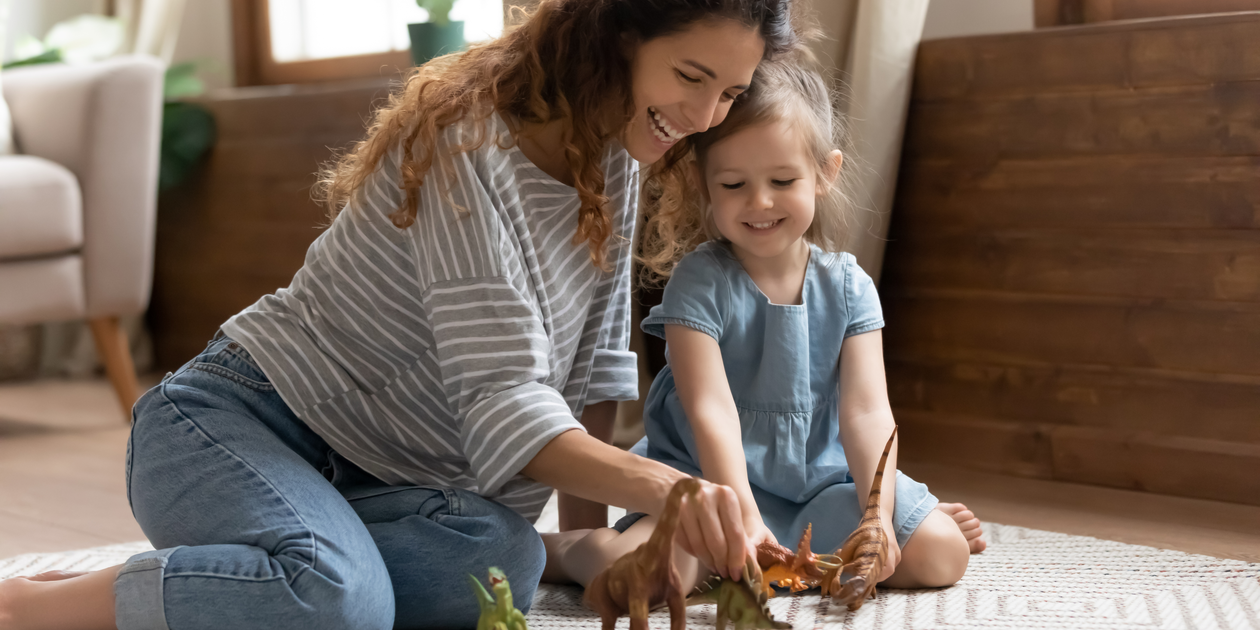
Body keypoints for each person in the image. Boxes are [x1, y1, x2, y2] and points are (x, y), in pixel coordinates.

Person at [0, 1, 802, 628]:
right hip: (229, 425)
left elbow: (588, 371)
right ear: (618, 33)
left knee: (507, 561)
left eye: (729, 93)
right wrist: (672, 488)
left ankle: (273, 564)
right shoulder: (468, 145)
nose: (704, 117)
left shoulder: (616, 155)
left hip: (379, 484)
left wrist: (592, 543)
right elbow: (505, 406)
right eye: (691, 77)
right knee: (334, 601)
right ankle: (34, 605)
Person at [549, 59, 986, 593]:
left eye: (782, 180)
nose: (759, 202)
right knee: (656, 574)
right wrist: (743, 518)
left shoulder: (850, 288)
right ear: (701, 182)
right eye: (733, 184)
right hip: (713, 488)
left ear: (826, 173)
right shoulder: (699, 282)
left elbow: (868, 413)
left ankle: (865, 531)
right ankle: (563, 550)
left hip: (817, 489)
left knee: (945, 554)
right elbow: (711, 410)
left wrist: (881, 516)